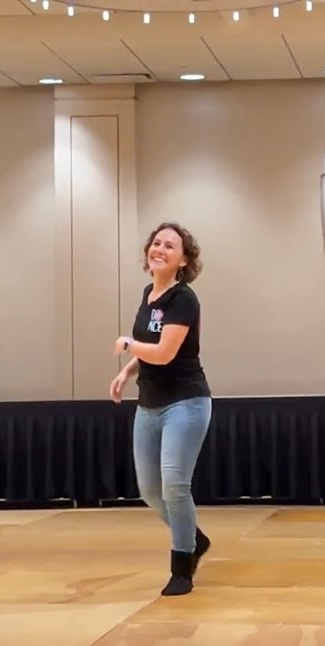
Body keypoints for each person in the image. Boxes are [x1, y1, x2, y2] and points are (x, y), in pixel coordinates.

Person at [110, 221, 213, 596]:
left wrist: (127, 344)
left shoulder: (183, 299)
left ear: (183, 260)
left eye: (170, 246)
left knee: (174, 485)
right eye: (156, 243)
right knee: (150, 490)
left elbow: (165, 353)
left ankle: (182, 567)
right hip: (149, 404)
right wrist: (127, 371)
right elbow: (148, 347)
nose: (160, 249)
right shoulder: (148, 294)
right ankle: (194, 538)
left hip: (185, 402)